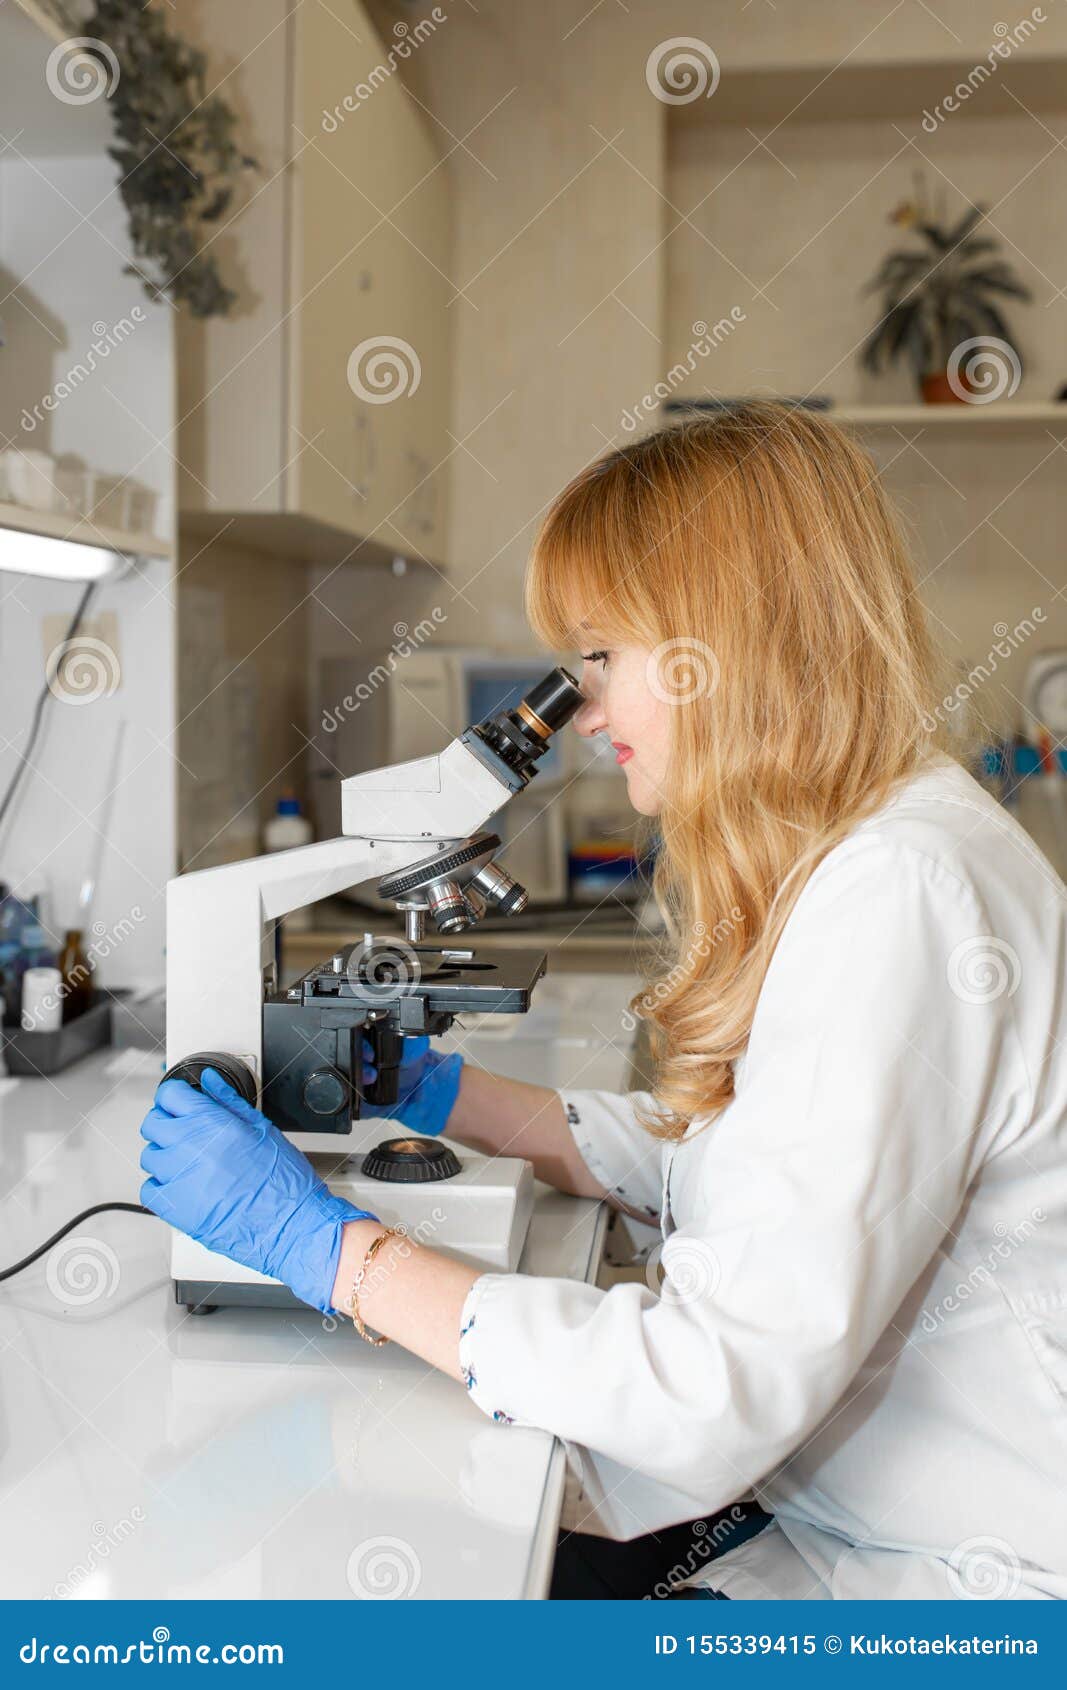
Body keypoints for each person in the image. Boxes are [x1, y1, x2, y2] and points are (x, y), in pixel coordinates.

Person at [140, 401, 1067, 1600]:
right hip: (841, 1516)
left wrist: (333, 1257)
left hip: (965, 1587)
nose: (579, 712)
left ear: (714, 646)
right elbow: (739, 1174)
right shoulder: (869, 847)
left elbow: (707, 1389)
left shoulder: (900, 891)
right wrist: (459, 1095)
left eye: (601, 655)